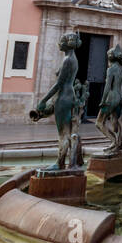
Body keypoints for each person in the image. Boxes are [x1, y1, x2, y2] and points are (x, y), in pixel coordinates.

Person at [31, 31, 84, 170]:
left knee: (63, 132)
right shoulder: (73, 58)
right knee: (66, 131)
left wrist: (43, 100)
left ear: (67, 43)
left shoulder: (68, 60)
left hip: (63, 97)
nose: (59, 44)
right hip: (68, 95)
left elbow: (59, 83)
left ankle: (59, 163)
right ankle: (66, 162)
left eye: (62, 41)